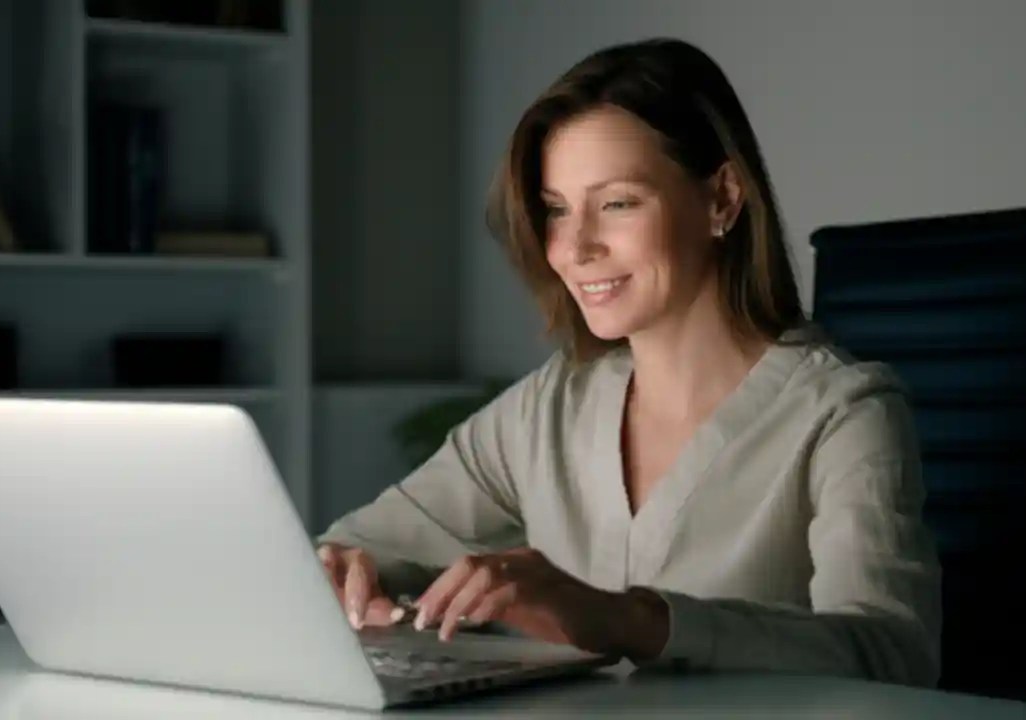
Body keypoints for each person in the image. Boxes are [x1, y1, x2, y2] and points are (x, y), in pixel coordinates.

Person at [316, 37, 941, 687]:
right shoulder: (552, 405)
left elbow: (894, 654)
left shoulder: (844, 412)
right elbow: (353, 546)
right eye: (557, 210)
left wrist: (630, 621)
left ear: (722, 198)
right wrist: (342, 573)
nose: (575, 247)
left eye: (616, 203)